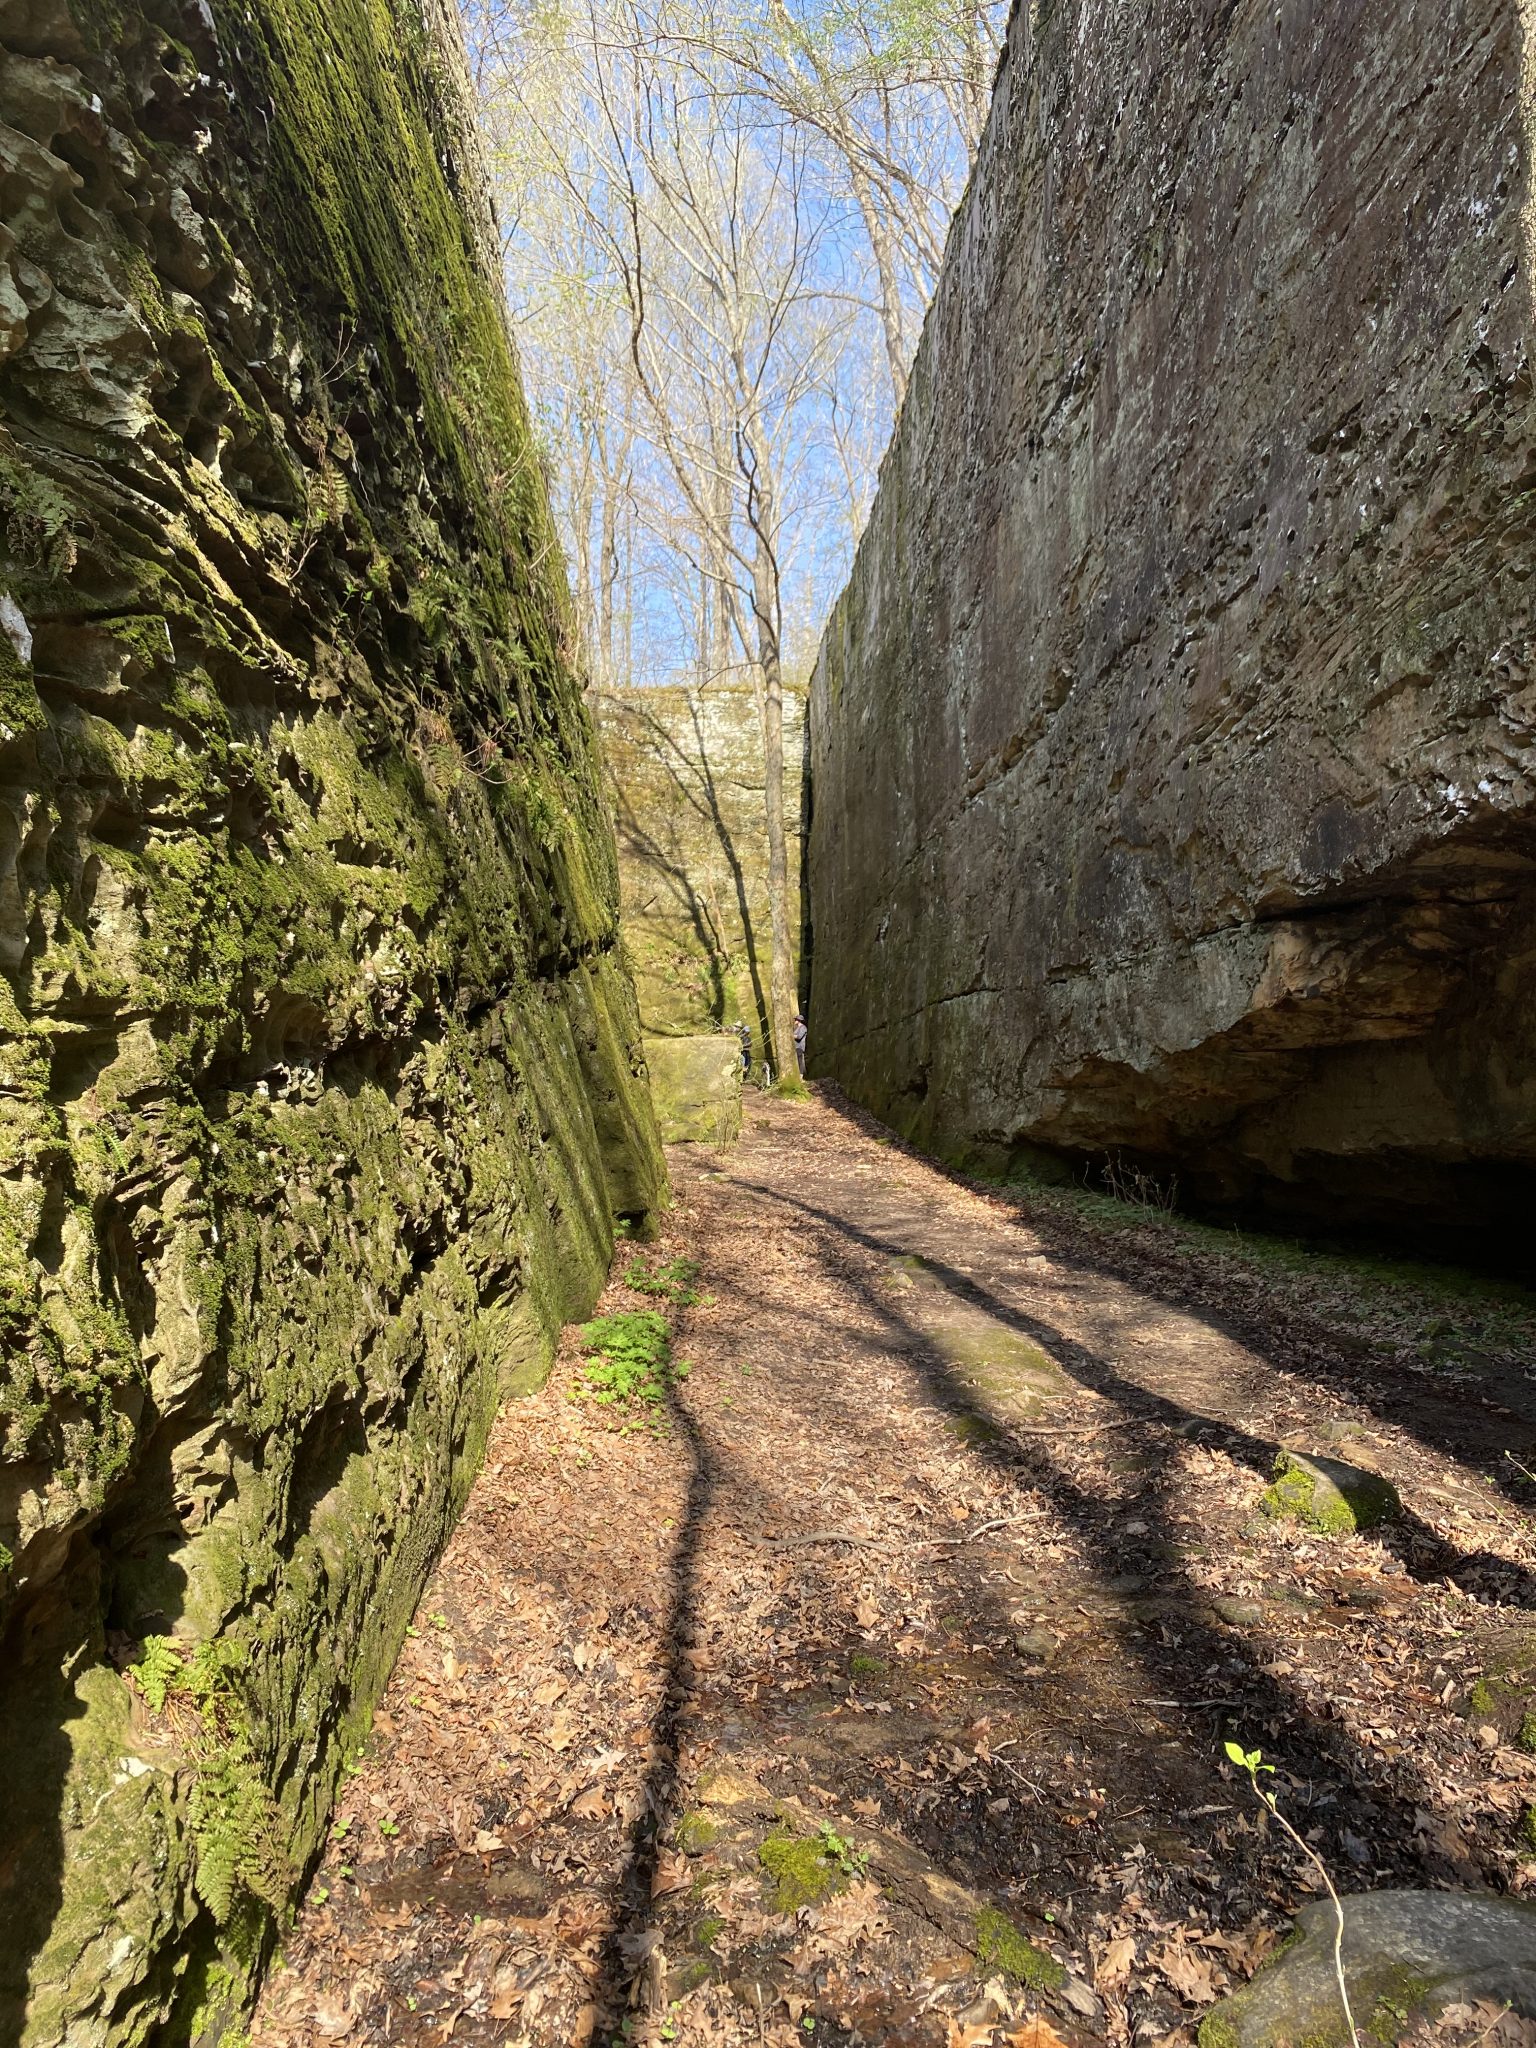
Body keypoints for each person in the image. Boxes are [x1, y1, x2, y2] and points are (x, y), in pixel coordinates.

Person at [792, 1013, 808, 1078]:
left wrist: (791, 1036)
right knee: (796, 1061)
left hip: (800, 1047)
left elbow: (799, 1037)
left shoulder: (803, 1027)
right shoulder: (797, 1028)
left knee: (800, 1061)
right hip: (795, 1047)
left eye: (795, 1019)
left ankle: (801, 1075)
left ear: (799, 1020)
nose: (794, 1021)